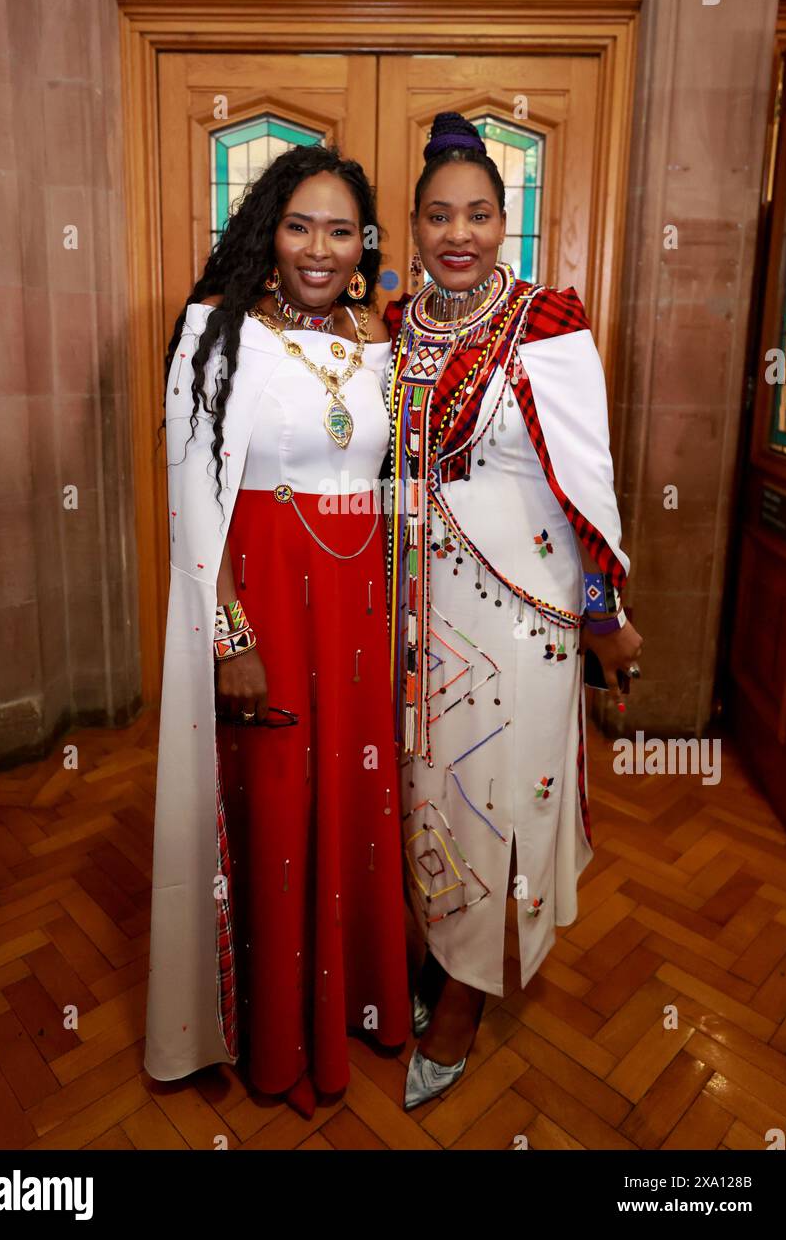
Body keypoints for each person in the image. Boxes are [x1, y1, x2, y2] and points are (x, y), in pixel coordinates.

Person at [145, 144, 409, 1118]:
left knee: (350, 797)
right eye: (299, 224)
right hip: (265, 604)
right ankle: (271, 1032)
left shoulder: (373, 336)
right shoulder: (218, 334)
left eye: (339, 230)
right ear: (267, 233)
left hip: (356, 607)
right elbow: (192, 505)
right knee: (275, 806)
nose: (319, 247)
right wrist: (229, 637)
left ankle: (353, 1003)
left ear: (360, 246)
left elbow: (389, 484)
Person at [386, 112, 642, 1109]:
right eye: (439, 215)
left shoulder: (547, 325)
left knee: (494, 807)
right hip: (420, 617)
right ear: (409, 225)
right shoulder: (396, 325)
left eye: (479, 214)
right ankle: (440, 949)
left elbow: (586, 490)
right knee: (427, 798)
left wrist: (601, 613)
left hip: (524, 619)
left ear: (506, 222)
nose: (459, 233)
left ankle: (464, 996)